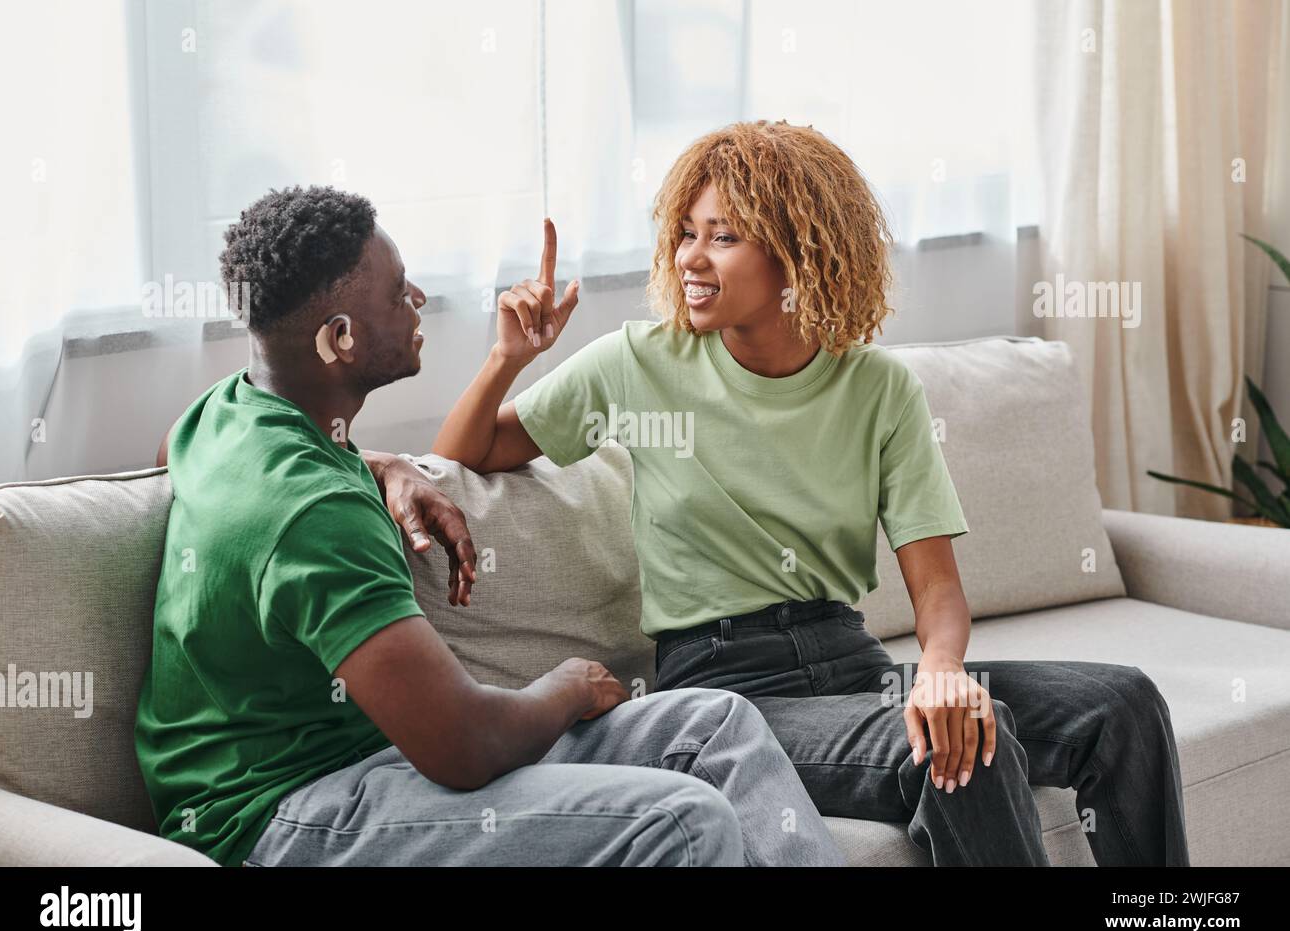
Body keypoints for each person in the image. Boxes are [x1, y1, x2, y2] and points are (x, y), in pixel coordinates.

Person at [433, 121, 1191, 866]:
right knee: (966, 747)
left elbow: (937, 592)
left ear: (797, 252)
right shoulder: (639, 363)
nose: (691, 257)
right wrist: (508, 357)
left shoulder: (879, 390)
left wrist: (941, 670)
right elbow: (465, 456)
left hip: (848, 660)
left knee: (1122, 705)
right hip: (729, 692)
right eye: (686, 232)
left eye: (723, 236)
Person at [134, 184, 846, 868]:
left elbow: (187, 458)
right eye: (398, 290)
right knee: (684, 823)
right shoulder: (312, 516)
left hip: (375, 768)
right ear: (339, 339)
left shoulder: (223, 414)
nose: (417, 300)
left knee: (715, 726)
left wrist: (384, 465)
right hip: (281, 818)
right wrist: (565, 688)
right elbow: (463, 746)